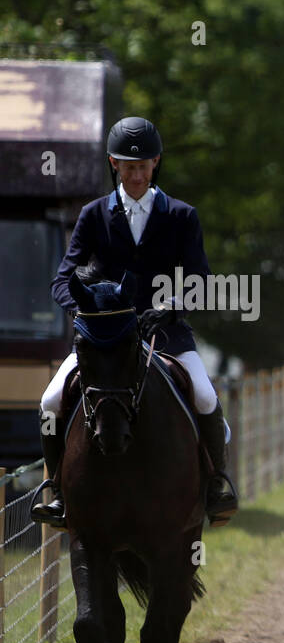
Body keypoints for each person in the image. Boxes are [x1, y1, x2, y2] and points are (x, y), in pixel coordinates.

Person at [33, 116, 238, 528]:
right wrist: (85, 311)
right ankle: (58, 491)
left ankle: (216, 485)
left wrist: (174, 306)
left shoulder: (181, 216)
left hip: (166, 334)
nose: (136, 175)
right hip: (104, 340)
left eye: (143, 166)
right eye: (128, 166)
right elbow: (63, 277)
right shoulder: (94, 215)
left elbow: (201, 278)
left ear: (155, 163)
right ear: (114, 164)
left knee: (205, 397)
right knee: (51, 401)